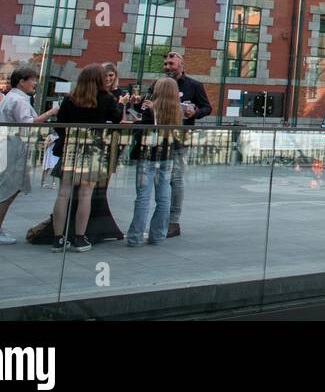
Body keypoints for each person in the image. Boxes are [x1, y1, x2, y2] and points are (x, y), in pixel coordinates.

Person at [50, 63, 121, 252]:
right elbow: (116, 119)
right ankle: (79, 238)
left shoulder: (70, 99)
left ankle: (58, 238)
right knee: (85, 194)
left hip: (71, 148)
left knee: (63, 194)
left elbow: (60, 125)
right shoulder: (107, 99)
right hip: (93, 149)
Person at [0, 67, 58, 245]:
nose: (35, 84)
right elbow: (28, 122)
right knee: (8, 187)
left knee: (11, 186)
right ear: (21, 81)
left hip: (8, 146)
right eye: (32, 80)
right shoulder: (18, 100)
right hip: (14, 148)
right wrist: (51, 112)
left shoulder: (10, 97)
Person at [154, 52, 211, 238]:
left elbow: (207, 107)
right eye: (165, 64)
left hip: (180, 138)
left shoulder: (194, 85)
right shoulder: (158, 84)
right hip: (158, 138)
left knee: (175, 178)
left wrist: (194, 113)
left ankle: (173, 221)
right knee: (158, 177)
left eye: (171, 63)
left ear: (181, 65)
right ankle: (160, 217)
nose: (167, 66)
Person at [126, 76, 183, 247]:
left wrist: (138, 120)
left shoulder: (152, 108)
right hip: (167, 156)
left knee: (143, 197)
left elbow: (141, 131)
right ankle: (158, 234)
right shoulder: (177, 110)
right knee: (164, 197)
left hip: (148, 156)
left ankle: (135, 236)